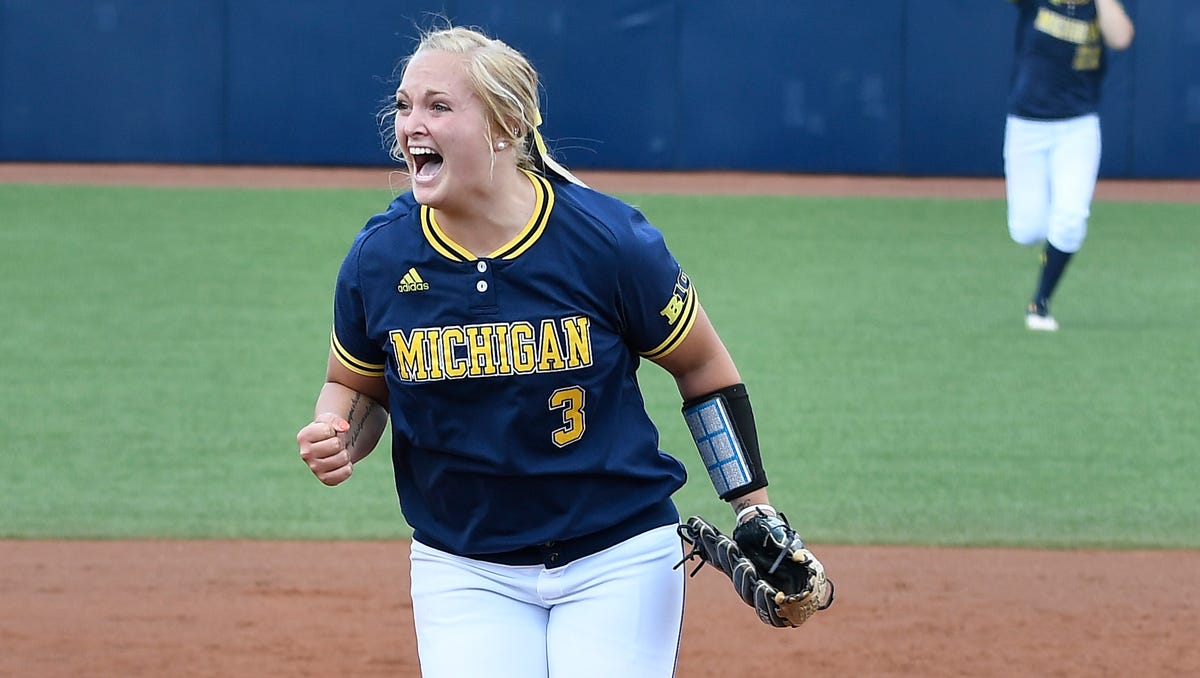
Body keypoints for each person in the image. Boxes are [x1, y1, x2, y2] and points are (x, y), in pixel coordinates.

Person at [295, 25, 826, 678]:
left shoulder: (608, 242)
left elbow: (702, 371)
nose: (411, 125)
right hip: (464, 565)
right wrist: (337, 432)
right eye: (404, 106)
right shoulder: (380, 258)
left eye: (438, 106)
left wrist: (753, 505)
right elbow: (357, 389)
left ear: (505, 122)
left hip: (618, 556)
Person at [1003, 0, 1134, 331]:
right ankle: (1052, 246)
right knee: (1027, 230)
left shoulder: (1100, 7)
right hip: (1027, 126)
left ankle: (1040, 303)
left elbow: (1121, 38)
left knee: (1071, 218)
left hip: (1077, 127)